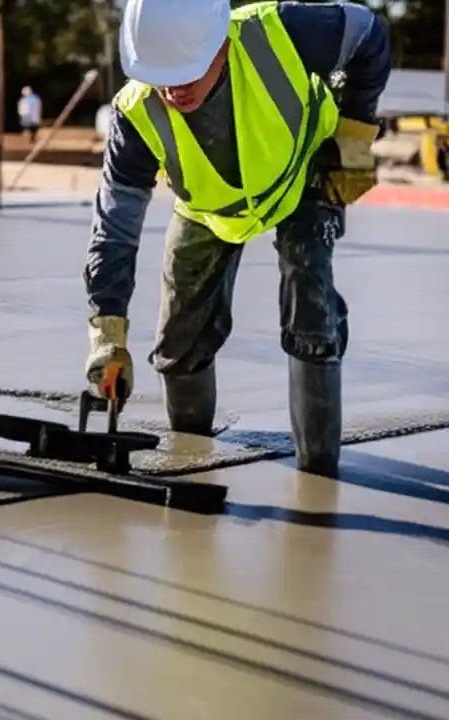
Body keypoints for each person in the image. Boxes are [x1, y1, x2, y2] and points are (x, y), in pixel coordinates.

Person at [83, 0, 391, 477]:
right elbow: (115, 231)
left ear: (222, 44)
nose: (172, 88)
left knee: (311, 303)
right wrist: (107, 336)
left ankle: (318, 469)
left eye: (187, 72)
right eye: (161, 74)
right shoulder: (135, 114)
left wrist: (353, 139)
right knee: (179, 336)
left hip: (304, 172)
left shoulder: (283, 32)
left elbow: (371, 34)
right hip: (209, 208)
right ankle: (190, 460)